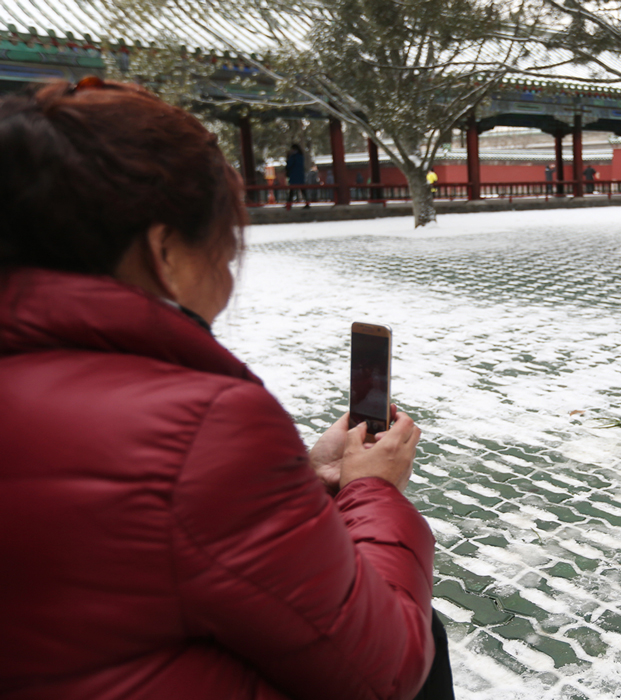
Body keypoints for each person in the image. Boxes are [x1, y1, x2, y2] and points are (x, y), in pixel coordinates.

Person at [0, 78, 442, 699]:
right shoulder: (202, 426)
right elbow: (386, 667)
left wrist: (298, 476)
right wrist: (373, 490)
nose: (229, 277)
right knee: (426, 634)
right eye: (224, 252)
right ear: (165, 252)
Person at [285, 143, 306, 209]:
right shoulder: (301, 156)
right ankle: (307, 203)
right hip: (300, 175)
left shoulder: (293, 157)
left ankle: (289, 204)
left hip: (294, 175)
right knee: (302, 190)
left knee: (292, 190)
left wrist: (288, 157)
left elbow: (289, 165)